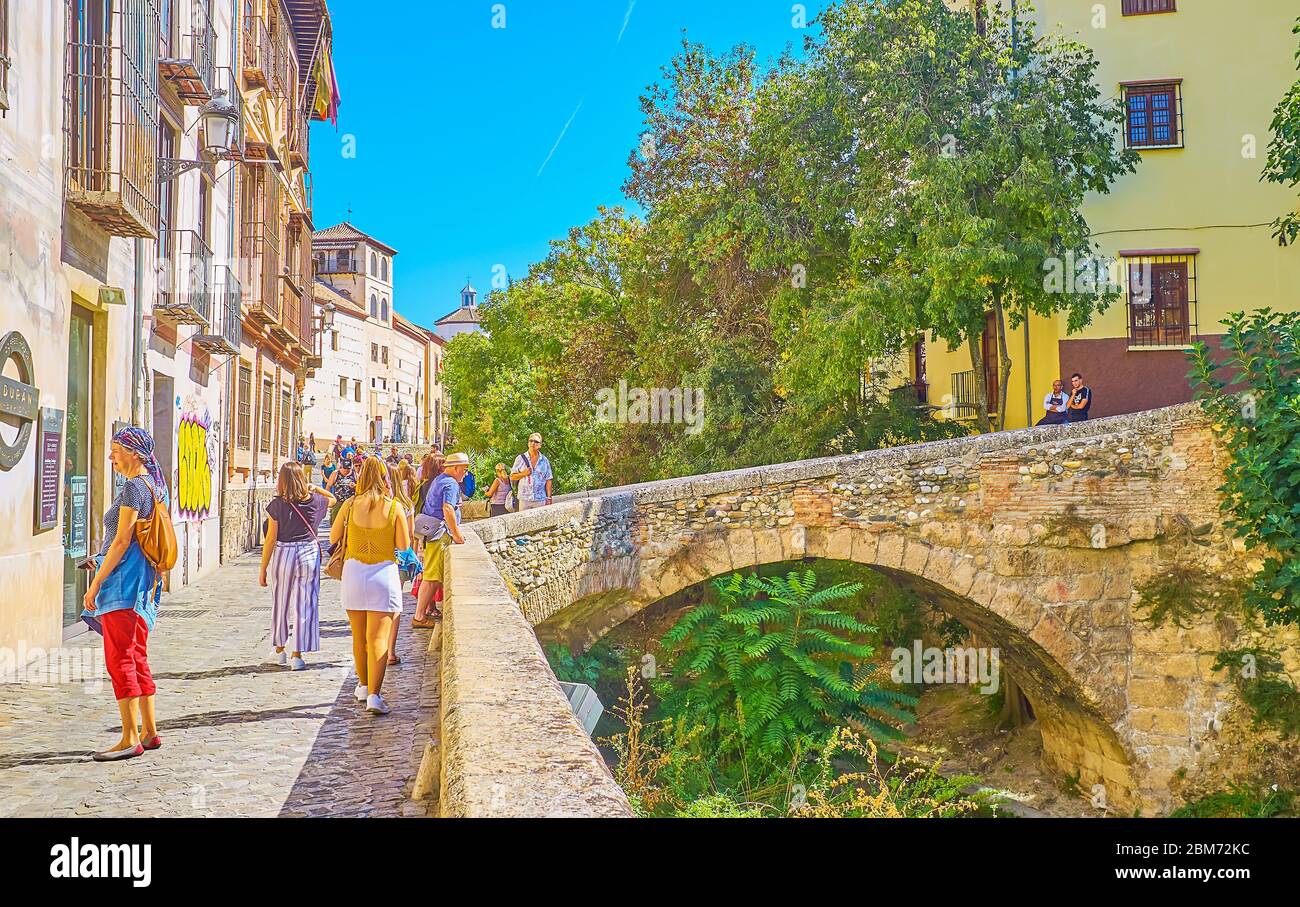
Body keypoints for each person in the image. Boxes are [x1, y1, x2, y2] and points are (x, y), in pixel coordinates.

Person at [82, 427, 170, 761]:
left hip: (124, 587)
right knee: (136, 657)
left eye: (115, 449)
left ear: (133, 452)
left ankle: (129, 738)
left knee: (120, 660)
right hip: (140, 585)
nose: (110, 455)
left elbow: (121, 541)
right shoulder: (152, 486)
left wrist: (95, 584)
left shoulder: (135, 487)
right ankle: (149, 731)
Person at [329, 457, 411, 716]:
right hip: (382, 574)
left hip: (354, 573)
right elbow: (404, 545)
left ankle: (363, 686)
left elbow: (333, 538)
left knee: (358, 636)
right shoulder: (394, 506)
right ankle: (375, 696)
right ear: (385, 477)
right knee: (377, 638)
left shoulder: (350, 505)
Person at [260, 462, 334, 671]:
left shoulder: (277, 506)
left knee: (280, 601)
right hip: (309, 553)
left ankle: (279, 650)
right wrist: (315, 487)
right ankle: (297, 655)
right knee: (305, 603)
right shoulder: (316, 501)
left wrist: (263, 567)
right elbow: (333, 499)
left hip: (284, 552)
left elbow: (270, 539)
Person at [412, 453, 468, 629]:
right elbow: (448, 509)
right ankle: (419, 616)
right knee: (431, 577)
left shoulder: (439, 479)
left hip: (431, 532)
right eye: (464, 470)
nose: (465, 474)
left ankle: (420, 614)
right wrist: (457, 535)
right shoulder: (450, 483)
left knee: (431, 575)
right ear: (455, 468)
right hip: (439, 534)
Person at [510, 432, 553, 510]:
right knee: (523, 521)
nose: (533, 443)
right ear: (528, 443)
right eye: (531, 441)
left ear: (540, 445)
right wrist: (523, 473)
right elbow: (512, 477)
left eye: (536, 442)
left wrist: (549, 498)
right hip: (524, 499)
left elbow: (548, 480)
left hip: (540, 499)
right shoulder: (520, 458)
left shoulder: (544, 460)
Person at [325, 457, 357, 525]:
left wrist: (355, 486)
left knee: (350, 522)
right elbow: (328, 486)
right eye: (344, 468)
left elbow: (360, 486)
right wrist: (329, 498)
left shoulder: (355, 474)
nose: (346, 470)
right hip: (338, 501)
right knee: (335, 520)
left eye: (348, 468)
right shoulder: (335, 473)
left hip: (351, 502)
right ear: (341, 467)